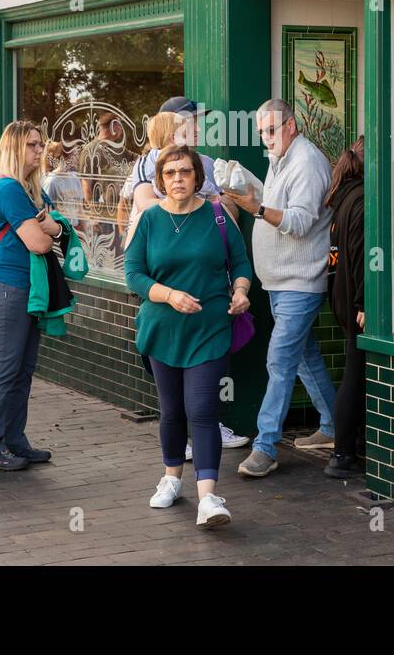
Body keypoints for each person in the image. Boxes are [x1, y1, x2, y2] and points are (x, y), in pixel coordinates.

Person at [126, 145, 251, 527]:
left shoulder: (216, 216)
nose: (177, 179)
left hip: (209, 328)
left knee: (202, 409)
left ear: (197, 175)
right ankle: (170, 477)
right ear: (160, 180)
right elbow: (134, 274)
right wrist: (170, 295)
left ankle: (209, 497)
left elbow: (242, 262)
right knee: (172, 411)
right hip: (163, 329)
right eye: (169, 173)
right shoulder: (150, 220)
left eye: (184, 172)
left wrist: (242, 291)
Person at [223, 99, 338, 477]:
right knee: (305, 356)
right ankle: (335, 427)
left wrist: (255, 208)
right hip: (280, 280)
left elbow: (302, 222)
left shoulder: (306, 162)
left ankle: (266, 446)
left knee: (279, 360)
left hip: (300, 283)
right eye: (261, 131)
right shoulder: (281, 158)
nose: (265, 138)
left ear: (291, 125)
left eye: (271, 130)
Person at [0, 120, 61, 472]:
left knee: (23, 369)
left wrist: (51, 225)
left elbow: (60, 226)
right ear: (14, 148)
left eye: (40, 144)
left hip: (28, 287)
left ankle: (14, 440)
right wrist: (49, 226)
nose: (40, 151)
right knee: (4, 370)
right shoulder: (8, 188)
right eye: (32, 145)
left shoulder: (29, 189)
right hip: (9, 287)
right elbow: (42, 241)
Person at [324, 139, 366, 479]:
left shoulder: (345, 195)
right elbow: (363, 255)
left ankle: (349, 447)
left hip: (341, 297)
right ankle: (342, 454)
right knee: (354, 374)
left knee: (355, 373)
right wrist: (364, 303)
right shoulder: (364, 199)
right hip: (355, 300)